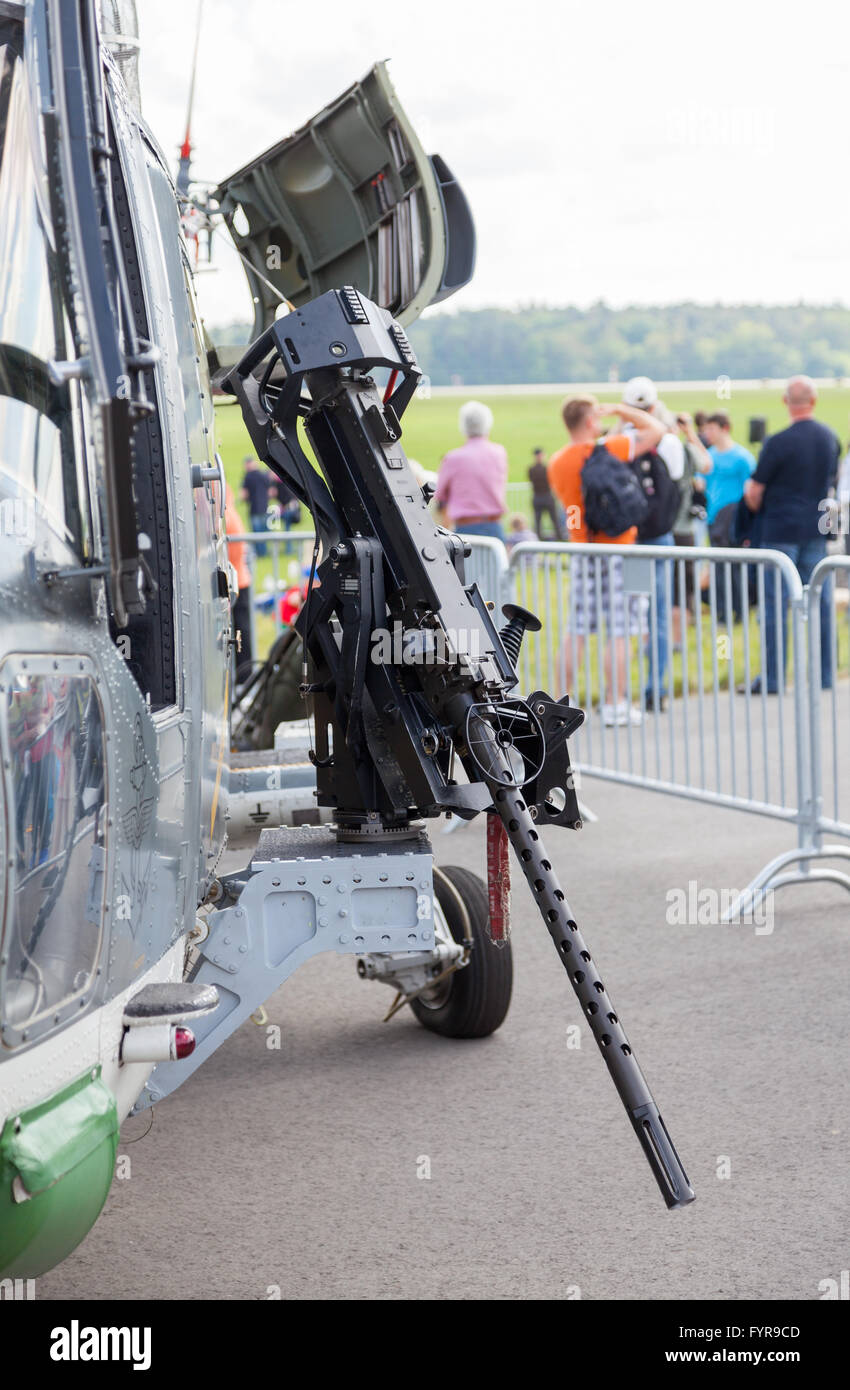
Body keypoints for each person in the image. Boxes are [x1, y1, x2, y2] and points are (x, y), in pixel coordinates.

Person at [548, 393, 664, 726]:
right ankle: (615, 703)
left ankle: (561, 705)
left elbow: (572, 507)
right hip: (620, 548)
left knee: (577, 630)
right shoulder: (608, 449)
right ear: (589, 421)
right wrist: (619, 410)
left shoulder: (558, 461)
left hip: (582, 550)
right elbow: (656, 430)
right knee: (621, 630)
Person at [742, 376, 840, 693]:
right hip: (817, 527)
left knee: (774, 606)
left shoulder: (778, 441)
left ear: (786, 401)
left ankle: (773, 678)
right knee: (821, 602)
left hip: (780, 530)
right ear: (814, 400)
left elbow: (755, 492)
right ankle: (825, 675)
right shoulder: (830, 438)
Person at [620, 377, 686, 712]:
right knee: (659, 615)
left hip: (632, 540)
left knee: (633, 616)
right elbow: (677, 485)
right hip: (660, 538)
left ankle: (623, 690)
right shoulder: (670, 442)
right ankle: (654, 688)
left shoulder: (616, 440)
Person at [701, 412, 756, 622]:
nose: (708, 433)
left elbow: (751, 488)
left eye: (711, 429)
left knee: (735, 565)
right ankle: (722, 611)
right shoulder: (709, 456)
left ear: (724, 428)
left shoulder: (742, 458)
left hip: (733, 517)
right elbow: (701, 481)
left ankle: (741, 610)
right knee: (718, 566)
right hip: (713, 517)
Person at [434, 401, 508, 543]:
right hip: (495, 526)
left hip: (466, 528)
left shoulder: (453, 458)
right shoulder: (499, 453)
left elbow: (440, 495)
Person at [225, 484, 254, 686]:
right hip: (237, 579)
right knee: (240, 630)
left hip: (234, 582)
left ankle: (244, 678)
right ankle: (244, 676)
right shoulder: (230, 510)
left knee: (240, 632)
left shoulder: (226, 517)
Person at [240, 455, 275, 557]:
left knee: (257, 534)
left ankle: (260, 554)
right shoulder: (263, 475)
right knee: (264, 532)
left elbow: (243, 495)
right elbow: (271, 492)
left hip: (254, 509)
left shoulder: (247, 477)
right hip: (265, 508)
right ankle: (266, 552)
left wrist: (244, 499)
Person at [528, 447, 565, 540]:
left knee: (539, 520)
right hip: (546, 496)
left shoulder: (532, 469)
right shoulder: (547, 469)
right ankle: (559, 536)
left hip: (538, 497)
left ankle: (539, 537)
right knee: (553, 519)